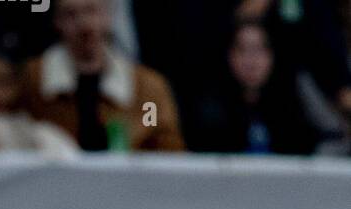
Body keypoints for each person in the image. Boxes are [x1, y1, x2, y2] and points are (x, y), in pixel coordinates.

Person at [20, 0, 184, 152]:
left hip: (127, 179)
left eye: (91, 11)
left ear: (108, 16)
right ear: (57, 21)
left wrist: (144, 131)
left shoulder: (148, 87)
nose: (84, 24)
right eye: (71, 14)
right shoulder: (34, 79)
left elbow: (164, 143)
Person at [186, 18, 321, 154]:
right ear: (229, 56)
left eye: (259, 49)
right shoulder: (210, 112)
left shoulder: (291, 108)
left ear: (271, 56)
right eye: (242, 50)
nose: (251, 61)